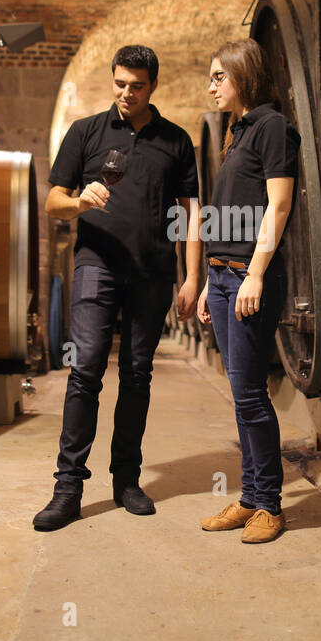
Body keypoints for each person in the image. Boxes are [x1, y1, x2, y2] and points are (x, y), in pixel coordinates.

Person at [32, 45, 202, 531]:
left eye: (137, 85)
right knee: (85, 369)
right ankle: (67, 488)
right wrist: (81, 202)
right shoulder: (85, 131)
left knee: (137, 374)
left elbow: (191, 215)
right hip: (96, 265)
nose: (127, 93)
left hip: (151, 272)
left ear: (153, 85)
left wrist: (192, 276)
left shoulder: (176, 141)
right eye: (120, 83)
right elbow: (52, 203)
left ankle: (126, 479)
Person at [197, 39, 299, 543]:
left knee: (251, 396)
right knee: (240, 397)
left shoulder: (273, 127)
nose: (212, 85)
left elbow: (277, 207)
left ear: (243, 75)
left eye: (219, 75)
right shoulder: (237, 133)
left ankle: (271, 506)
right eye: (211, 76)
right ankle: (250, 497)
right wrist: (207, 277)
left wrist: (255, 273)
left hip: (247, 275)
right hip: (223, 276)